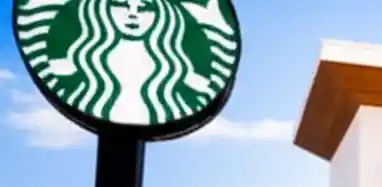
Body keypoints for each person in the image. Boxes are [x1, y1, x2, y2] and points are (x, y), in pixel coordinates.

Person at [18, 0, 236, 126]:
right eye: (121, 5)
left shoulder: (188, 78)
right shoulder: (67, 66)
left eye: (143, 8)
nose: (133, 15)